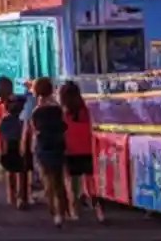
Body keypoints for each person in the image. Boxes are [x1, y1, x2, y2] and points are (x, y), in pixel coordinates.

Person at [60, 80, 104, 223]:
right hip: (87, 150)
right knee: (91, 183)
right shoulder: (86, 111)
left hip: (69, 150)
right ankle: (98, 211)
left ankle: (74, 212)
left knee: (71, 184)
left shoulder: (63, 113)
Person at [28, 77, 69, 228]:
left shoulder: (36, 111)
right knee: (58, 179)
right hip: (58, 144)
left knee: (47, 178)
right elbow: (65, 127)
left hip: (43, 146)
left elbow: (34, 129)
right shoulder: (58, 109)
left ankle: (53, 209)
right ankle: (61, 211)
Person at [0, 76, 29, 209]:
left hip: (7, 139)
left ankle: (11, 196)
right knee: (21, 170)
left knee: (9, 169)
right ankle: (21, 197)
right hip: (19, 137)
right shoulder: (19, 100)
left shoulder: (1, 104)